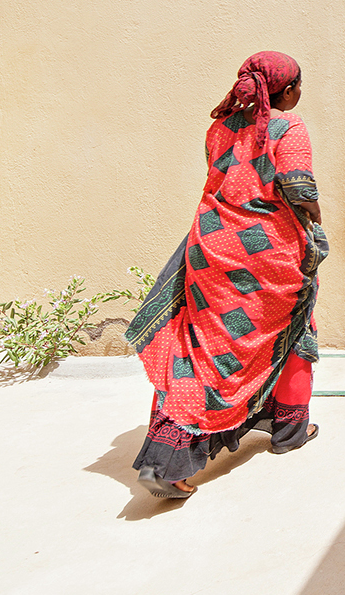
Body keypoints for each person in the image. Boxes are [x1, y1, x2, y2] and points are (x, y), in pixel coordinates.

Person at [128, 51, 329, 499]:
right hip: (266, 257)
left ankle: (181, 445)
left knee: (204, 344)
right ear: (288, 90)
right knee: (293, 328)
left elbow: (226, 180)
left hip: (210, 250)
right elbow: (298, 185)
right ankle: (283, 429)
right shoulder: (287, 125)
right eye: (299, 86)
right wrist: (314, 216)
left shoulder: (218, 128)